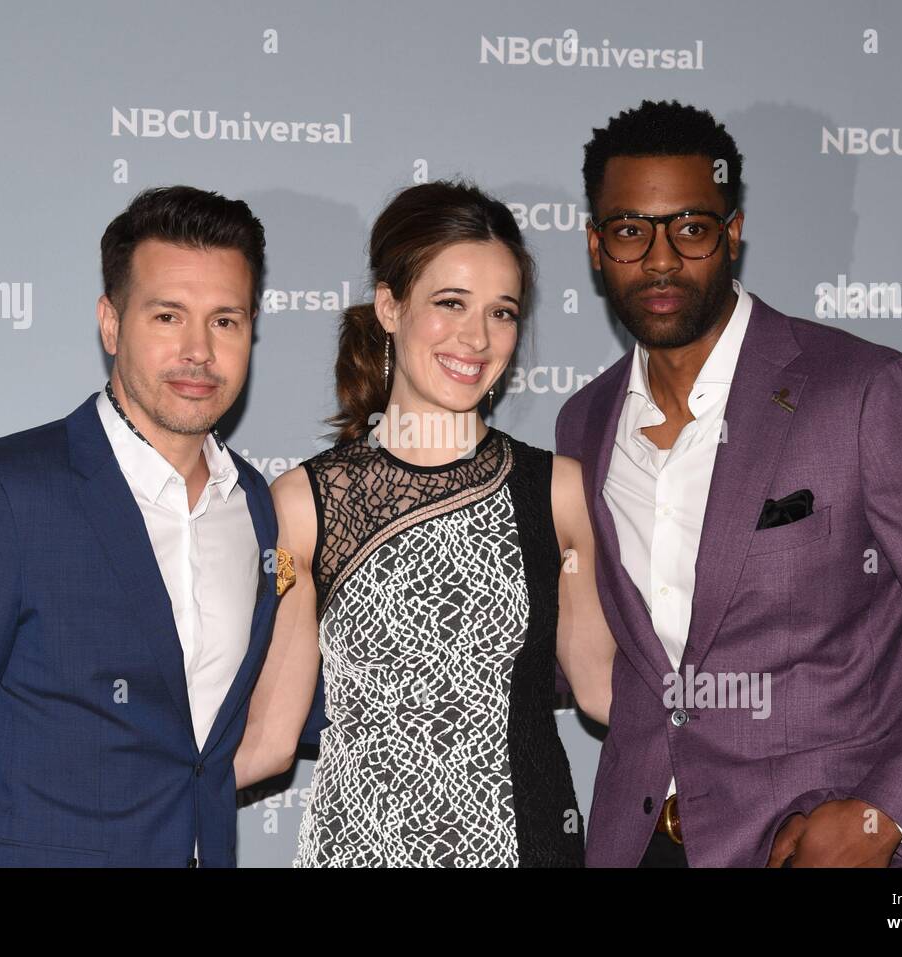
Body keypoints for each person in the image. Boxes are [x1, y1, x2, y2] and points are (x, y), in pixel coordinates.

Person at [555, 99, 902, 868]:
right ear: (596, 245)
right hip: (639, 843)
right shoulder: (584, 422)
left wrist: (883, 816)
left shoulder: (867, 392)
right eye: (630, 231)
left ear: (733, 233)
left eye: (690, 227)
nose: (660, 260)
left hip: (816, 845)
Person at [0, 185, 321, 867]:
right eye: (168, 316)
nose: (198, 351)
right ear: (111, 323)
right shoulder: (0, 494)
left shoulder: (255, 502)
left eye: (225, 321)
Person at [233, 180, 616, 867]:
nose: (477, 337)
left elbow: (603, 687)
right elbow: (268, 737)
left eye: (502, 312)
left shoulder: (557, 491)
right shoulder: (304, 502)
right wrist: (101, 790)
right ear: (389, 305)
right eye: (450, 303)